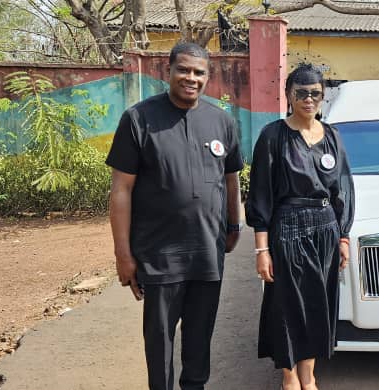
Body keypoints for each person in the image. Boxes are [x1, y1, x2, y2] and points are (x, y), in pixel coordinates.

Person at [106, 42, 243, 390]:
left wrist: (232, 223)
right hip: (159, 254)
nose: (191, 78)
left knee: (199, 342)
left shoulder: (222, 122)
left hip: (207, 253)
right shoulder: (139, 119)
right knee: (160, 343)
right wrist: (123, 255)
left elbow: (231, 178)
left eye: (199, 72)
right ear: (167, 71)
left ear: (208, 77)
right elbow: (120, 190)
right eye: (184, 70)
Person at [245, 63, 355, 390]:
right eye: (302, 93)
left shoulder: (333, 136)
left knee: (318, 302)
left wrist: (344, 236)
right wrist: (261, 249)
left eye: (316, 94)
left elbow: (344, 190)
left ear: (323, 97)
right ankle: (289, 376)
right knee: (286, 303)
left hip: (326, 229)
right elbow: (261, 195)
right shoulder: (273, 136)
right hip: (288, 228)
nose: (309, 99)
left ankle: (309, 374)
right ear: (289, 96)